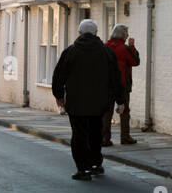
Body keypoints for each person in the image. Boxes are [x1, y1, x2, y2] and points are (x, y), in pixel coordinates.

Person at [51, 18, 124, 181]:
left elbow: (59, 75)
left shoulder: (71, 51)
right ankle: (95, 163)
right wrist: (121, 100)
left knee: (79, 135)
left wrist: (59, 95)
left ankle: (83, 169)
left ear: (79, 33)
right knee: (96, 133)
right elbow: (116, 78)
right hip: (99, 103)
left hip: (76, 103)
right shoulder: (107, 53)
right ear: (96, 33)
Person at [102, 23, 140, 146]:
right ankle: (125, 137)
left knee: (107, 112)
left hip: (106, 84)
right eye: (126, 34)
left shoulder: (104, 46)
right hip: (122, 84)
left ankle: (104, 138)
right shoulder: (124, 48)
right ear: (123, 35)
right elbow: (135, 61)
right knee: (124, 111)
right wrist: (132, 46)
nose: (128, 36)